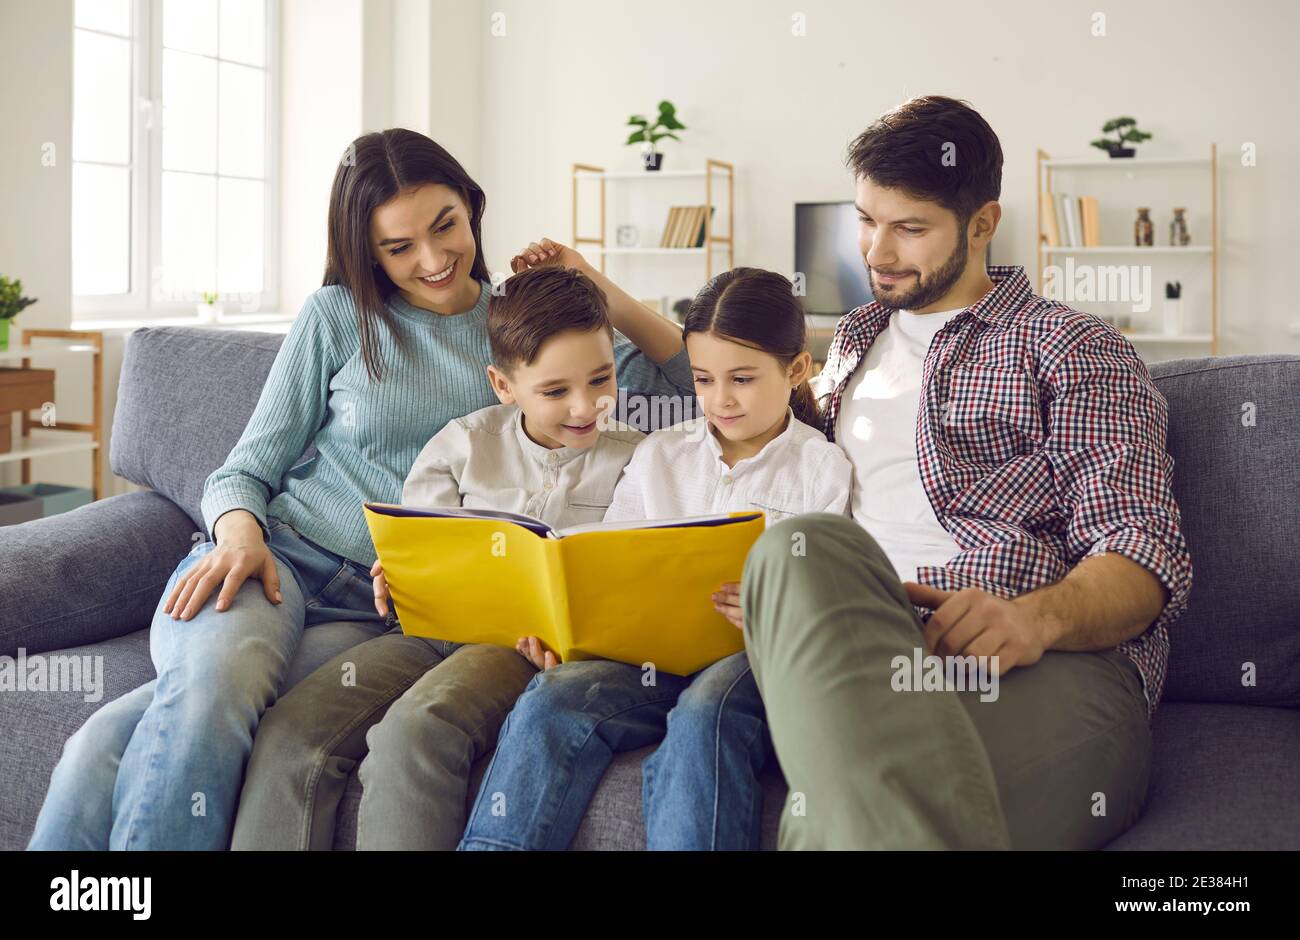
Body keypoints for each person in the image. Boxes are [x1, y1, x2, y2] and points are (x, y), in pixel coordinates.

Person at [27, 129, 693, 851]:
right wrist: (240, 535)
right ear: (365, 249)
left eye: (446, 227)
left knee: (108, 739)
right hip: (276, 560)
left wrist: (595, 283)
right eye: (398, 247)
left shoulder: (520, 325)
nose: (434, 260)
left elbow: (689, 389)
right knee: (200, 695)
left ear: (471, 208)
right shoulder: (337, 316)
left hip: (379, 610)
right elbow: (241, 469)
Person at [737, 95, 1193, 849]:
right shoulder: (849, 342)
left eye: (910, 228)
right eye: (865, 221)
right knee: (799, 549)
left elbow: (1142, 552)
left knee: (875, 821)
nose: (875, 253)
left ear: (983, 223)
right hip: (865, 647)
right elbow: (724, 381)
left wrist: (1033, 619)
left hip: (1041, 659)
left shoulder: (1069, 346)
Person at [458, 266, 852, 851]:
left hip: (751, 658)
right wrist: (566, 632)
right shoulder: (661, 454)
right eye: (703, 378)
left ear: (797, 369)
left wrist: (782, 603)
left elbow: (835, 590)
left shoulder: (822, 468)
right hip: (647, 655)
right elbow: (608, 555)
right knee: (551, 701)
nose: (720, 399)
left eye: (742, 379)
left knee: (705, 714)